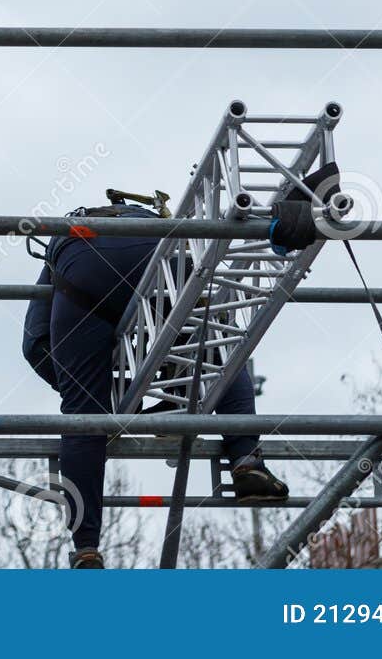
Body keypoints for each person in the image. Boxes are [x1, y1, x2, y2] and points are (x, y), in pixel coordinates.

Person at [22, 199, 288, 569]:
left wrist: (85, 390)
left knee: (82, 418)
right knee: (218, 342)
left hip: (84, 261)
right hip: (163, 253)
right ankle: (245, 460)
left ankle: (86, 547)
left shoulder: (67, 235)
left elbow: (34, 342)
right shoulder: (154, 220)